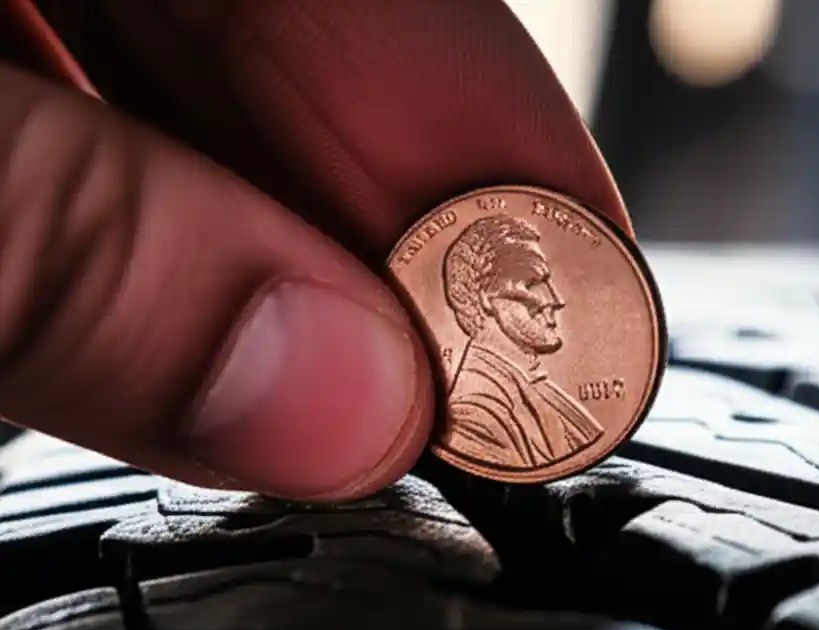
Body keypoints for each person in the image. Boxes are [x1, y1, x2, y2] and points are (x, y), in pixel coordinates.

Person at [0, 1, 631, 501]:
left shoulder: (551, 406)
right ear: (487, 303)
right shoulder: (489, 408)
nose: (554, 298)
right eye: (533, 284)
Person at [442, 213, 603, 469]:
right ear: (487, 297)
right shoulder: (473, 416)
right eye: (533, 282)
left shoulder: (536, 387)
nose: (555, 298)